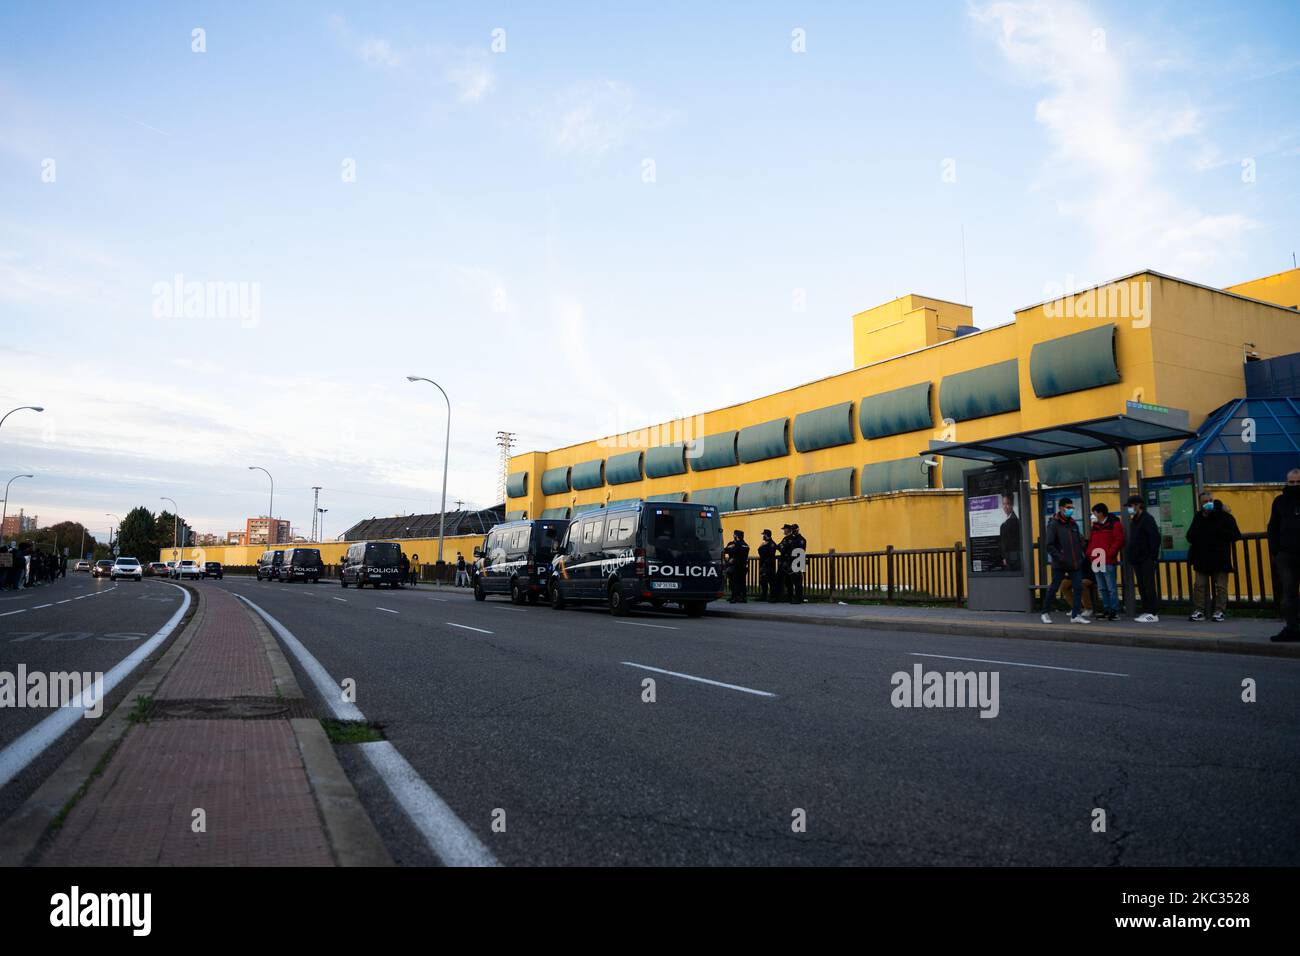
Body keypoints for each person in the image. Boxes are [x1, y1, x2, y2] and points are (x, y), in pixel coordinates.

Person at [1186, 492, 1241, 622]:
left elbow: (1236, 535)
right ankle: (1199, 610)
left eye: (1210, 500)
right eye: (1205, 501)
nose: (1208, 503)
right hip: (1202, 557)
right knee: (1199, 585)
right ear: (1200, 504)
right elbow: (1190, 536)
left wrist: (1219, 532)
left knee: (1221, 586)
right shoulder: (1198, 517)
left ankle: (1220, 610)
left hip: (1220, 557)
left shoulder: (1225, 517)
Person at [1040, 498, 1088, 624]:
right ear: (1061, 508)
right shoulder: (1053, 524)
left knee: (1078, 588)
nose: (1071, 510)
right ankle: (1045, 612)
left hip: (1075, 563)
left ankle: (1075, 615)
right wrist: (1060, 558)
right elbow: (1049, 545)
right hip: (1060, 564)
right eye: (1068, 507)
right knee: (1054, 587)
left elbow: (1079, 541)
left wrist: (1080, 557)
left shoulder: (1073, 524)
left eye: (1072, 507)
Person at [1267, 468, 1300, 642]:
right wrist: (1276, 551)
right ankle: (1292, 628)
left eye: (1298, 482)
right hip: (1286, 555)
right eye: (1292, 482)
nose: (1295, 485)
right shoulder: (1280, 501)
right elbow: (1272, 526)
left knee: (1289, 593)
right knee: (1289, 593)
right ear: (1287, 482)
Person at [1125, 494, 1162, 623]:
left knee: (1149, 585)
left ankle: (1153, 612)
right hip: (1137, 559)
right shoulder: (1134, 520)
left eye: (1130, 506)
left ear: (1138, 505)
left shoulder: (1147, 519)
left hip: (1146, 558)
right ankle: (1147, 610)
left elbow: (1155, 538)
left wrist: (1152, 556)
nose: (1129, 509)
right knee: (1142, 585)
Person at [1086, 502, 1125, 621]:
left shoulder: (1114, 524)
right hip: (1096, 559)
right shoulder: (1095, 526)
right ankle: (1106, 609)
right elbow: (1091, 541)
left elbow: (1119, 539)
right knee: (1102, 587)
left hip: (1107, 559)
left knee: (1111, 587)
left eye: (1095, 513)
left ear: (1101, 513)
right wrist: (1089, 553)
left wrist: (1110, 553)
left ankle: (1114, 611)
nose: (1094, 515)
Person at [723, 530, 750, 603]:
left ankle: (735, 597)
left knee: (734, 582)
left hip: (736, 566)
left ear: (736, 536)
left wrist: (730, 548)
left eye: (734, 535)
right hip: (743, 566)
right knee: (742, 582)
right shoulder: (745, 544)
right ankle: (743, 597)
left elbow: (728, 551)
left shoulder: (736, 544)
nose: (733, 536)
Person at [997, 493, 1021, 571]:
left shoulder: (1011, 522)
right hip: (1012, 559)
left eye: (1007, 504)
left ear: (1012, 505)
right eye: (1003, 504)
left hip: (1012, 561)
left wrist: (1004, 557)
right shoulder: (1007, 522)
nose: (1005, 507)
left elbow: (1006, 543)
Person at [785, 524, 806, 604]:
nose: (793, 530)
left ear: (797, 529)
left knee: (798, 582)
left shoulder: (801, 539)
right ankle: (795, 597)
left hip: (797, 562)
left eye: (794, 529)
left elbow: (800, 551)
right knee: (793, 581)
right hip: (792, 562)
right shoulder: (792, 539)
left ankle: (798, 598)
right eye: (792, 529)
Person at [757, 529, 778, 602]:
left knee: (771, 582)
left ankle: (773, 597)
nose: (763, 536)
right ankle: (763, 596)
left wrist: (762, 547)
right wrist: (761, 546)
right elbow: (760, 552)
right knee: (763, 581)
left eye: (764, 535)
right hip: (763, 565)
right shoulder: (764, 543)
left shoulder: (772, 543)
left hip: (769, 565)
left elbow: (768, 553)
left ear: (766, 535)